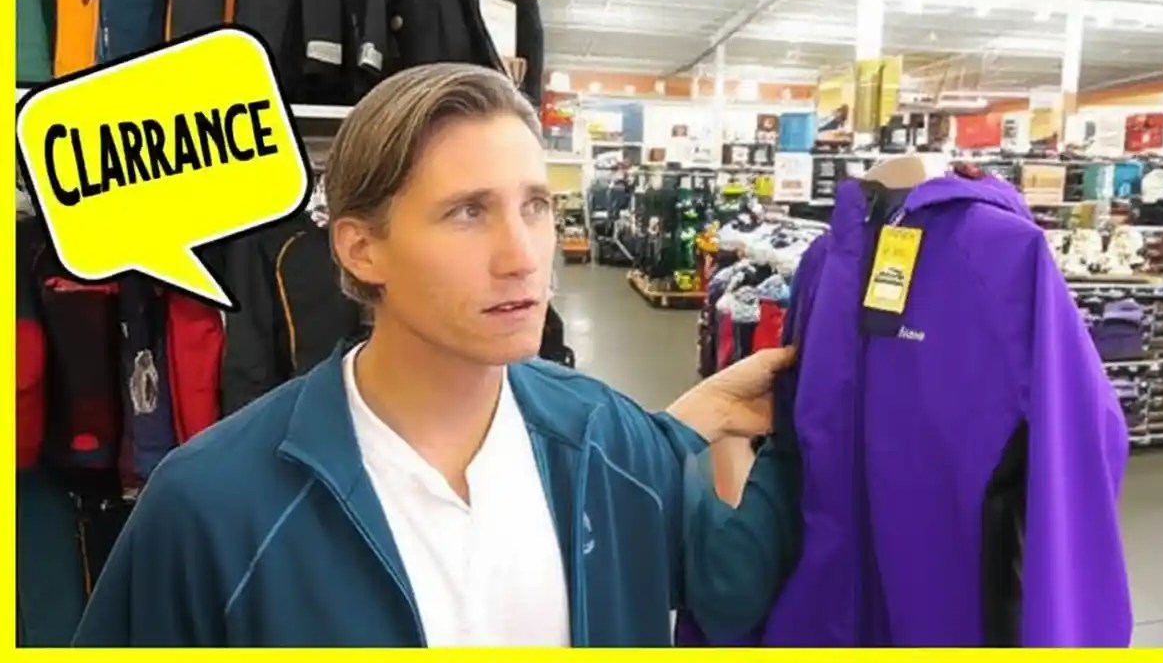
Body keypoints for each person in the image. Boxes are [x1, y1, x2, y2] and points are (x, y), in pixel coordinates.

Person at [73, 63, 801, 647]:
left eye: (535, 206)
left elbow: (728, 589)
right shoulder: (211, 505)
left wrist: (799, 426)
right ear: (362, 248)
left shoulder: (609, 437)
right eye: (467, 212)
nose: (522, 257)